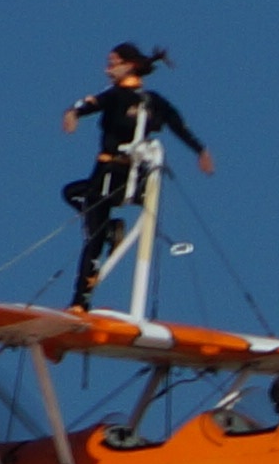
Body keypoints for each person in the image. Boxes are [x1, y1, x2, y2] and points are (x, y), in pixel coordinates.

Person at [61, 43, 213, 306]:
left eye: (112, 63)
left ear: (129, 65)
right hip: (133, 180)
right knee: (76, 196)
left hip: (109, 175)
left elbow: (90, 104)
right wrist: (200, 150)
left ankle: (80, 302)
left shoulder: (120, 96)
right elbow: (178, 125)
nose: (107, 70)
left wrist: (73, 112)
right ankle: (109, 233)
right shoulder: (147, 100)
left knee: (92, 233)